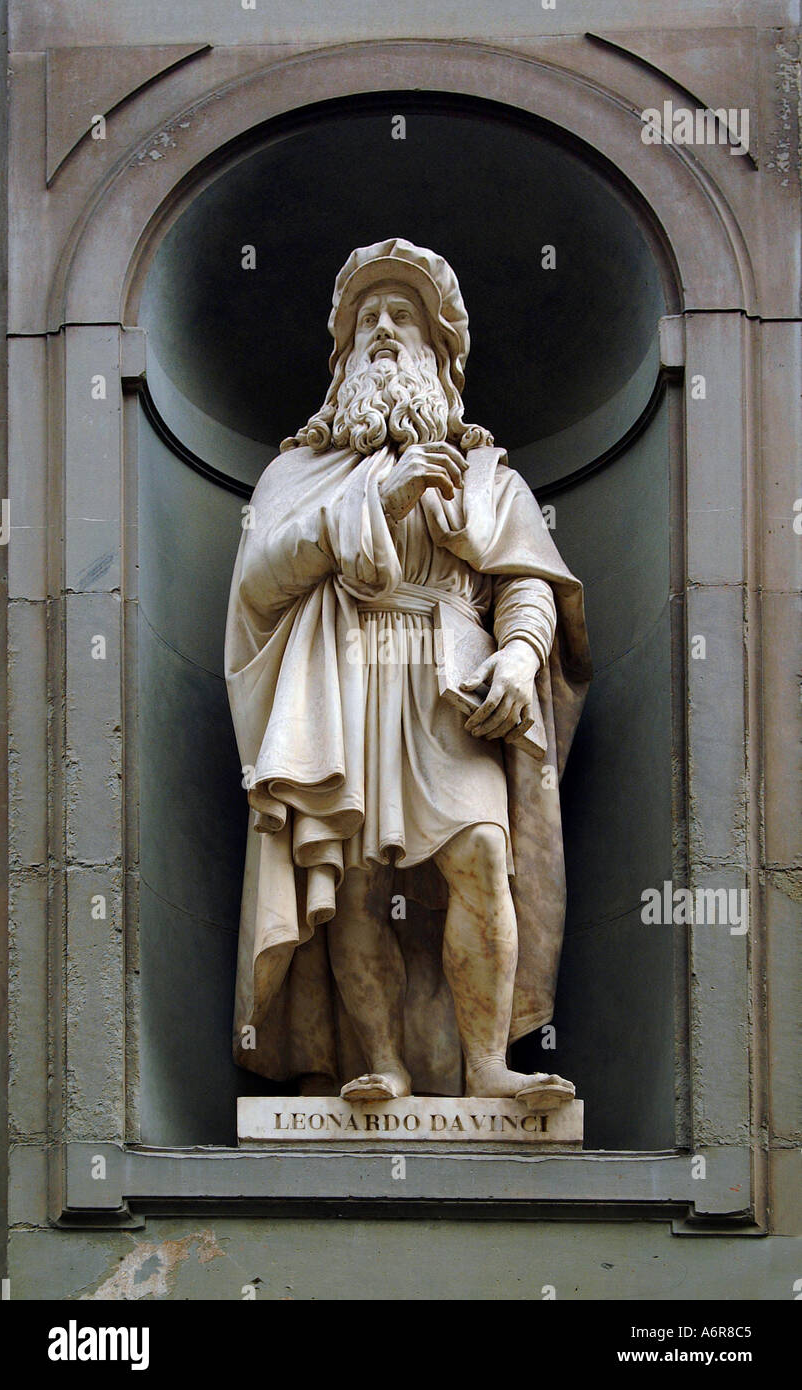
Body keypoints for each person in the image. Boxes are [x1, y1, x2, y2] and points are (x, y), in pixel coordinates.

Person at [225, 239, 591, 1105]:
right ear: (343, 357)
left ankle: (487, 1066)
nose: (383, 332)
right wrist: (375, 503)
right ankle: (379, 1061)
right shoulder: (298, 471)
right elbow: (261, 581)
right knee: (355, 881)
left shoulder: (490, 475)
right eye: (366, 323)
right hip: (345, 676)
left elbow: (526, 582)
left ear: (436, 351)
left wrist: (521, 651)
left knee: (481, 854)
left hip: (451, 677)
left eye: (403, 319)